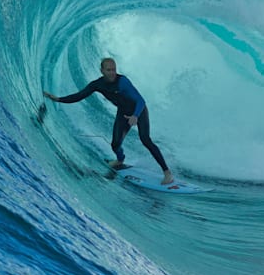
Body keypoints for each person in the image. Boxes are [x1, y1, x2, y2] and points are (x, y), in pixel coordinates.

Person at [44, 57, 175, 185]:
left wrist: (135, 115)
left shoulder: (122, 81)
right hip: (123, 112)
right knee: (115, 144)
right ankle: (120, 160)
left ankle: (167, 173)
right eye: (109, 70)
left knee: (145, 139)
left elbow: (140, 101)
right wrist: (59, 99)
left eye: (114, 69)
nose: (112, 73)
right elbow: (79, 95)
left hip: (139, 110)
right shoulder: (97, 85)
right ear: (102, 70)